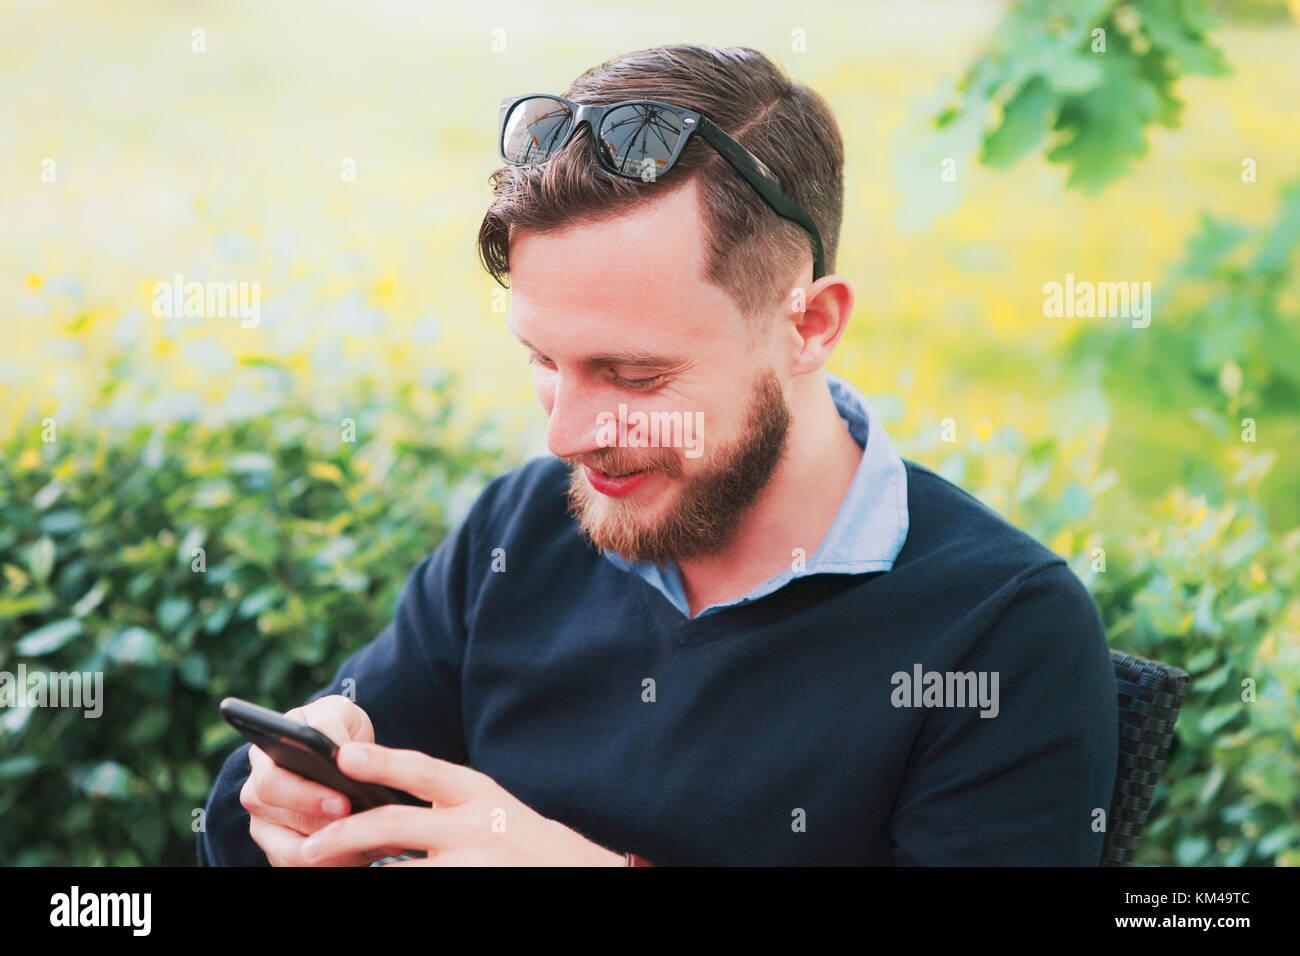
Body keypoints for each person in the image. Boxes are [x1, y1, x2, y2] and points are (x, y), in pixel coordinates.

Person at [198, 43, 1117, 867]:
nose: (566, 436)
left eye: (633, 376)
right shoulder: (522, 532)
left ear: (811, 325)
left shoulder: (1004, 634)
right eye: (543, 362)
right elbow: (261, 826)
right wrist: (283, 795)